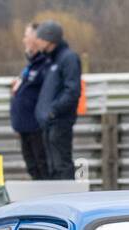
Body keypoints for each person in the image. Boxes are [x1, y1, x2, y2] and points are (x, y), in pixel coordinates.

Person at [33, 19, 82, 180]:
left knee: (62, 165)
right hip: (49, 123)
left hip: (59, 122)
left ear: (49, 39)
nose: (36, 41)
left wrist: (53, 111)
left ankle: (68, 198)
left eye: (38, 38)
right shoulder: (51, 59)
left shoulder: (68, 58)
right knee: (53, 167)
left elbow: (72, 91)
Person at [10, 22, 50, 181]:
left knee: (42, 166)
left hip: (36, 127)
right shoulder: (31, 65)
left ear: (36, 39)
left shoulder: (45, 65)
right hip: (24, 126)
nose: (24, 40)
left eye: (26, 36)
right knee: (32, 166)